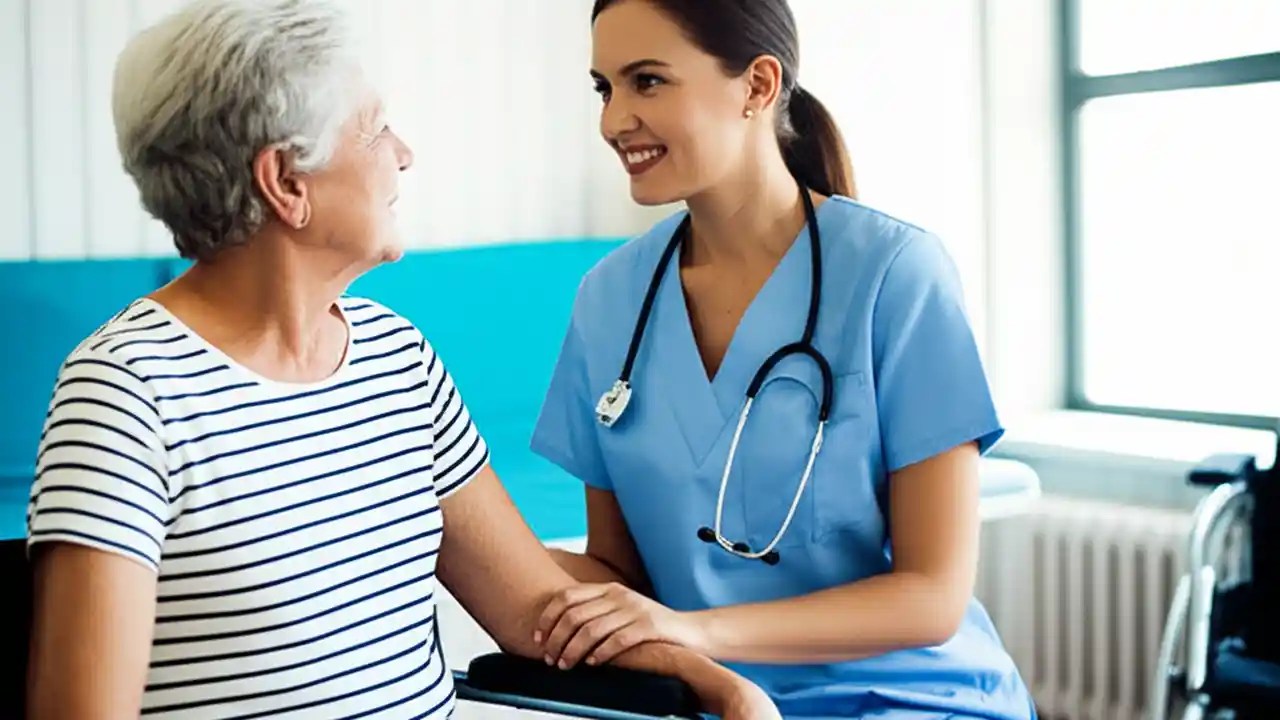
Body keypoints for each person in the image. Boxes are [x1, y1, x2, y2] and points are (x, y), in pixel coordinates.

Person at [23, 1, 779, 718]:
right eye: (377, 131)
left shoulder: (397, 357)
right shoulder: (125, 395)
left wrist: (717, 685)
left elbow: (537, 609)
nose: (404, 155)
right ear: (287, 184)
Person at [528, 1, 1038, 718]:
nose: (613, 121)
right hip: (707, 697)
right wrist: (459, 546)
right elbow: (621, 573)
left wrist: (694, 630)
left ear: (758, 86)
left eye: (647, 82)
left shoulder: (895, 275)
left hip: (904, 696)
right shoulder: (609, 298)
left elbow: (932, 597)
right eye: (603, 88)